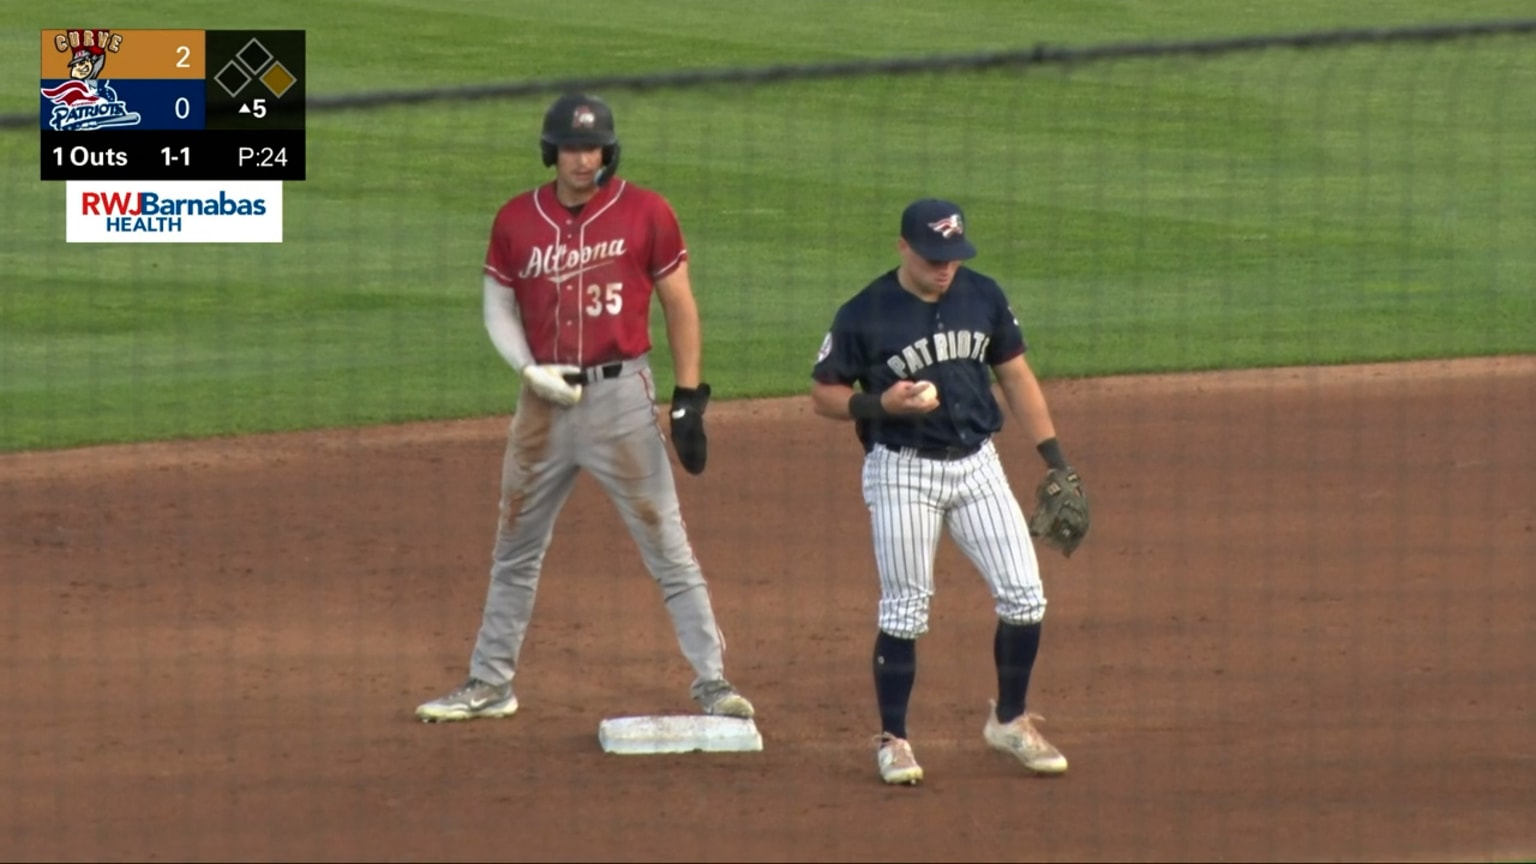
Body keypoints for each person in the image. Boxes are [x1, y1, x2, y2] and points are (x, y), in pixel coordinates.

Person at [416, 93, 754, 723]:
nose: (583, 159)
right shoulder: (516, 219)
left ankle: (713, 681)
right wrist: (528, 370)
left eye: (593, 147)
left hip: (622, 398)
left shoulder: (648, 211)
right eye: (572, 148)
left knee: (667, 543)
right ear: (552, 151)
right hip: (541, 406)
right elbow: (497, 305)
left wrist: (688, 398)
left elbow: (679, 304)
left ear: (609, 151)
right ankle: (491, 682)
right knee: (515, 546)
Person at [809, 198, 1087, 783]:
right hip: (902, 472)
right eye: (933, 257)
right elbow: (824, 394)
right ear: (903, 247)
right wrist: (880, 404)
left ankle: (1010, 721)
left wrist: (1055, 460)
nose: (945, 268)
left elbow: (1016, 375)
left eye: (953, 256)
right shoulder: (864, 311)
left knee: (1025, 597)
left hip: (979, 466)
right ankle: (894, 739)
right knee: (906, 610)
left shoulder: (983, 295)